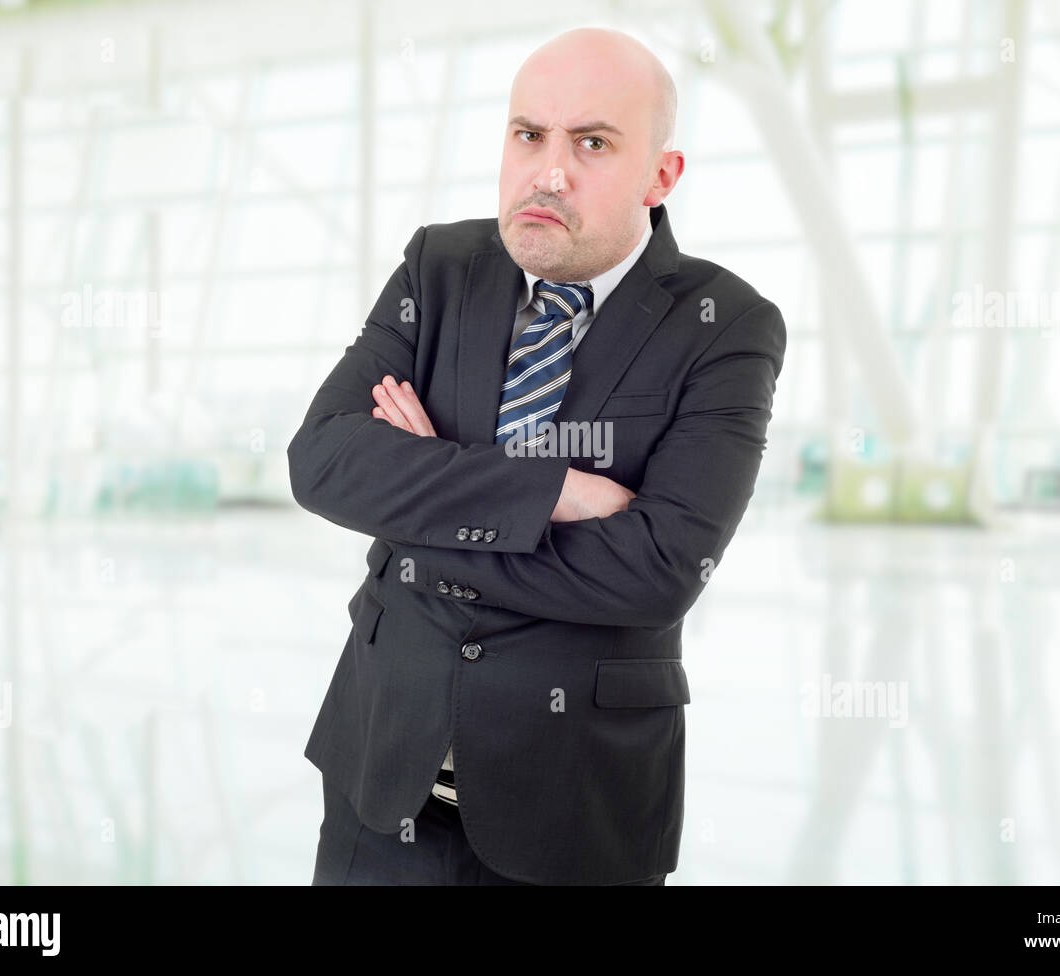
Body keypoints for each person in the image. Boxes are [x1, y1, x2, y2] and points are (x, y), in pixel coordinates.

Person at [289, 26, 786, 884]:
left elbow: (660, 569)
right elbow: (323, 461)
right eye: (529, 135)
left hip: (575, 812)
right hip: (380, 784)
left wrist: (425, 501)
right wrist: (556, 490)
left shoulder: (725, 325)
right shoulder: (438, 267)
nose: (548, 172)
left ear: (660, 175)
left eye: (592, 143)